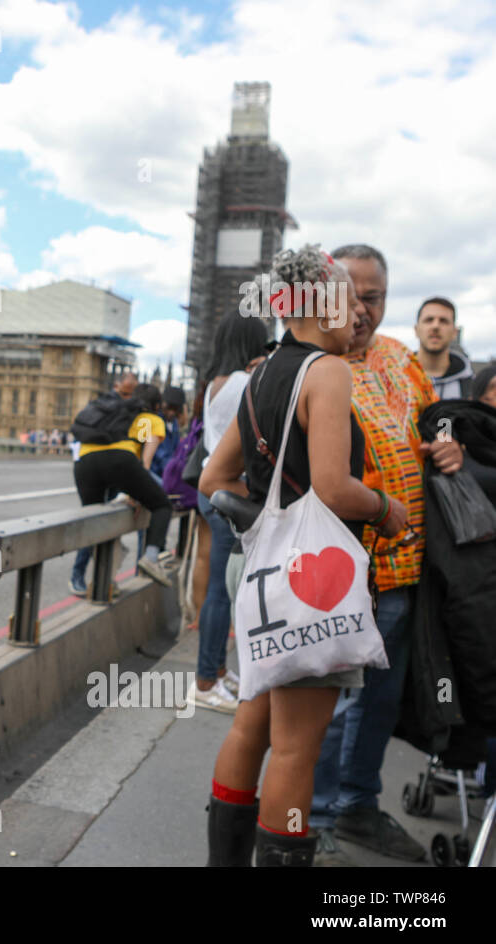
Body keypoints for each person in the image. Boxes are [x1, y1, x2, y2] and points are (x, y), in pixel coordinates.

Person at [200, 245, 408, 866]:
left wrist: (264, 521)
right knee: (296, 749)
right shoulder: (328, 373)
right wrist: (384, 508)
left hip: (262, 582)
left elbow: (214, 478)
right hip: (311, 589)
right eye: (352, 301)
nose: (360, 316)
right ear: (322, 305)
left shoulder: (260, 373)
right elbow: (332, 487)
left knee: (252, 725)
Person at [309, 244, 463, 864]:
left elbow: (440, 423)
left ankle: (356, 808)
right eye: (353, 296)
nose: (364, 310)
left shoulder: (402, 360)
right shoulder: (310, 363)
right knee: (329, 703)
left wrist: (449, 445)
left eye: (374, 297)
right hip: (335, 576)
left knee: (377, 700)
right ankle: (310, 820)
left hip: (403, 574)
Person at [191, 316, 271, 715]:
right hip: (230, 491)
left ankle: (219, 671)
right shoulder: (243, 382)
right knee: (224, 592)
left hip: (211, 490)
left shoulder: (214, 384)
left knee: (221, 587)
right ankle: (205, 681)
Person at [69, 381, 174, 594]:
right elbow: (144, 461)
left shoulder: (117, 413)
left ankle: (99, 581)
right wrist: (137, 493)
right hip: (119, 461)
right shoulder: (149, 420)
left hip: (84, 462)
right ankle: (151, 558)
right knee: (162, 505)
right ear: (156, 406)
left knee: (95, 521)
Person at [414, 296, 472, 399]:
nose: (435, 326)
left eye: (443, 321)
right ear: (416, 329)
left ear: (455, 332)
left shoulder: (471, 388)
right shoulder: (393, 381)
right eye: (429, 320)